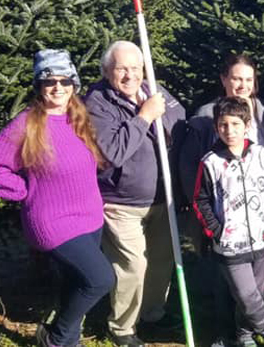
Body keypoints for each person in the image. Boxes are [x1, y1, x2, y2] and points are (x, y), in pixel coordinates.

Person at [0, 49, 114, 347]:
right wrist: (23, 191)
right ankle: (54, 337)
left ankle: (68, 342)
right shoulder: (27, 123)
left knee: (76, 281)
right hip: (53, 222)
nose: (58, 87)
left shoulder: (77, 118)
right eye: (50, 81)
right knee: (101, 279)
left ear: (73, 84)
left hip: (89, 217)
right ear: (39, 85)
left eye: (64, 80)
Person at [83, 40, 187, 346]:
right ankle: (122, 328)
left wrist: (159, 113)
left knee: (162, 259)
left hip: (162, 197)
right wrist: (144, 116)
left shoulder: (154, 88)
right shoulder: (97, 102)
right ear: (106, 71)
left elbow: (180, 120)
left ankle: (152, 313)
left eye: (135, 68)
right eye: (121, 69)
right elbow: (113, 152)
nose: (130, 75)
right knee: (132, 265)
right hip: (120, 202)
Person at [177, 53, 264, 346]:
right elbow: (192, 169)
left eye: (248, 79)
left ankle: (245, 333)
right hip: (222, 215)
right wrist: (211, 221)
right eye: (236, 78)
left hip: (259, 213)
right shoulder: (205, 115)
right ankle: (225, 333)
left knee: (253, 281)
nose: (242, 85)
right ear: (224, 79)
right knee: (226, 281)